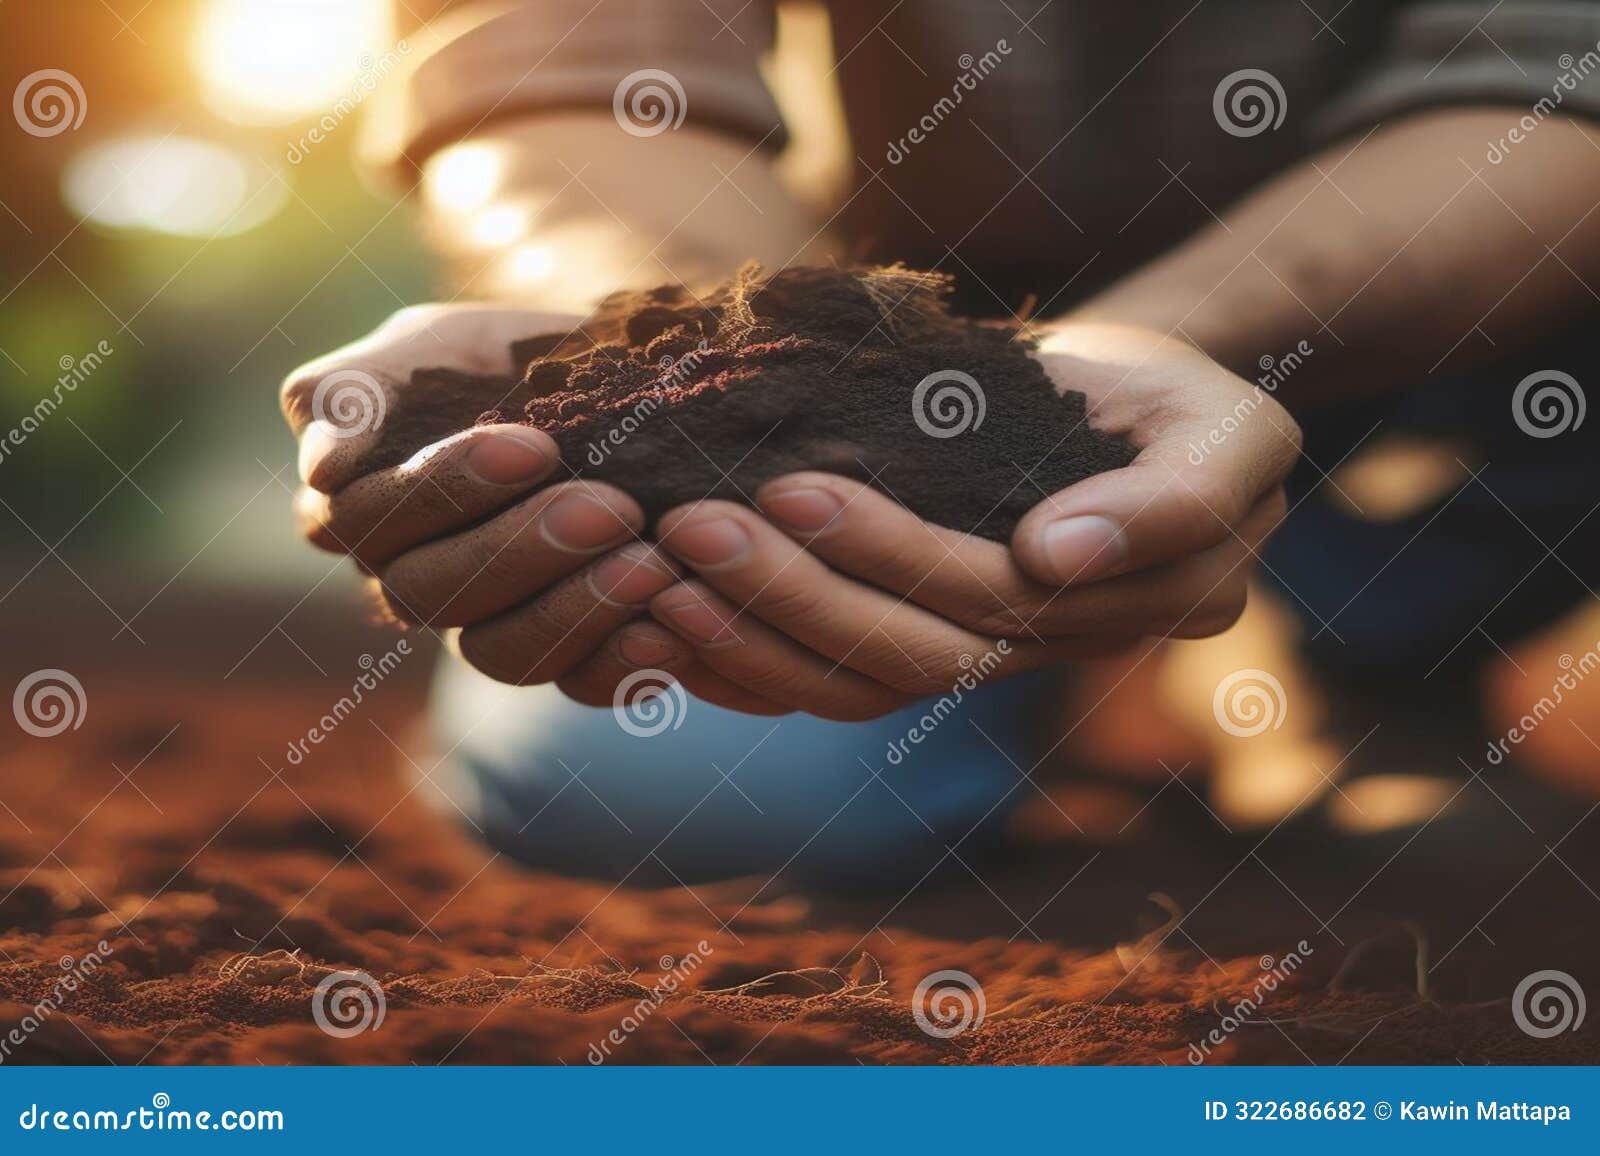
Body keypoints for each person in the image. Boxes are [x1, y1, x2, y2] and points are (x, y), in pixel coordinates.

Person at [280, 1, 1600, 885]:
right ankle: (1092, 660)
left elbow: (1550, 89)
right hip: (902, 283)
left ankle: (1373, 640)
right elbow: (561, 60)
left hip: (1445, 325)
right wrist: (673, 326)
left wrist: (1170, 340)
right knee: (674, 786)